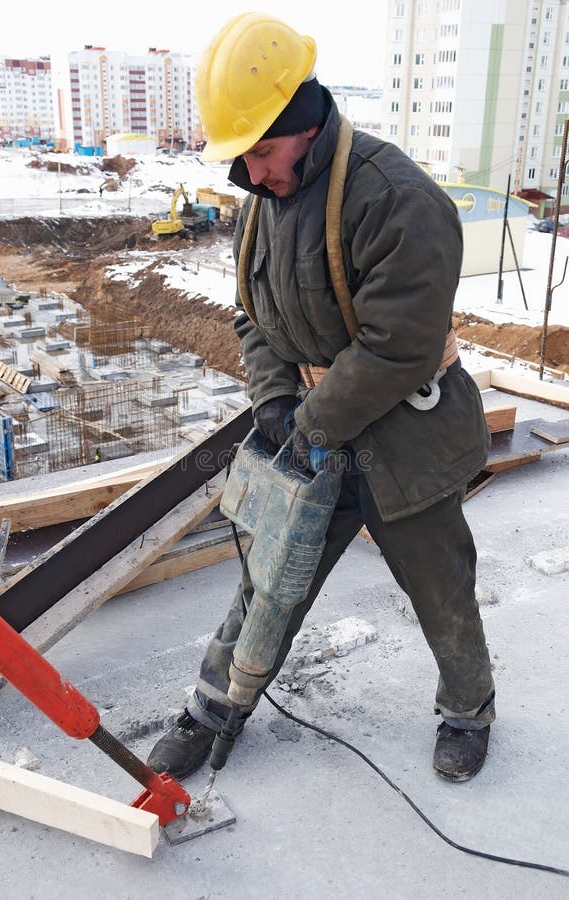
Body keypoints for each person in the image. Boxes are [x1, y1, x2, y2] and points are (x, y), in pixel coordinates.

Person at [147, 11, 495, 784]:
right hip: (313, 434)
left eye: (262, 153)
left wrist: (309, 422)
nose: (252, 175)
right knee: (266, 584)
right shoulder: (264, 201)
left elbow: (397, 348)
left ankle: (468, 712)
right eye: (242, 159)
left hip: (407, 438)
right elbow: (251, 310)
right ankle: (213, 708)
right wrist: (273, 397)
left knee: (442, 590)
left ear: (302, 120)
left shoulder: (395, 198)